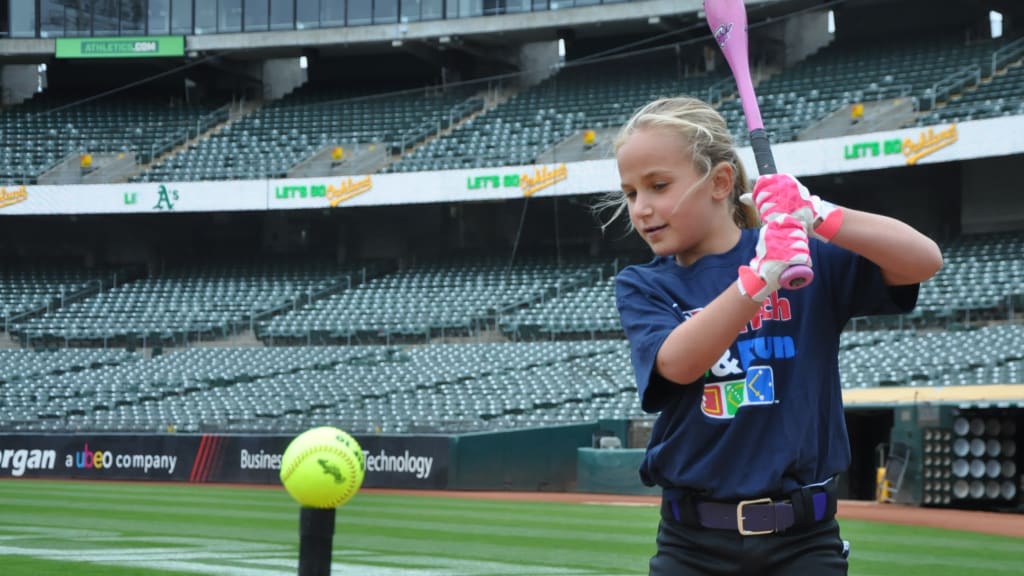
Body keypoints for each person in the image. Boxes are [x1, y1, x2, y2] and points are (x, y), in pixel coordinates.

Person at [603, 96, 942, 576]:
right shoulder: (643, 284)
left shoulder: (803, 255)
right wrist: (758, 280)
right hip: (691, 545)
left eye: (658, 186)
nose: (641, 208)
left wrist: (817, 213)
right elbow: (677, 363)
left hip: (804, 542)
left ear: (721, 182)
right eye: (630, 193)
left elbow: (924, 260)